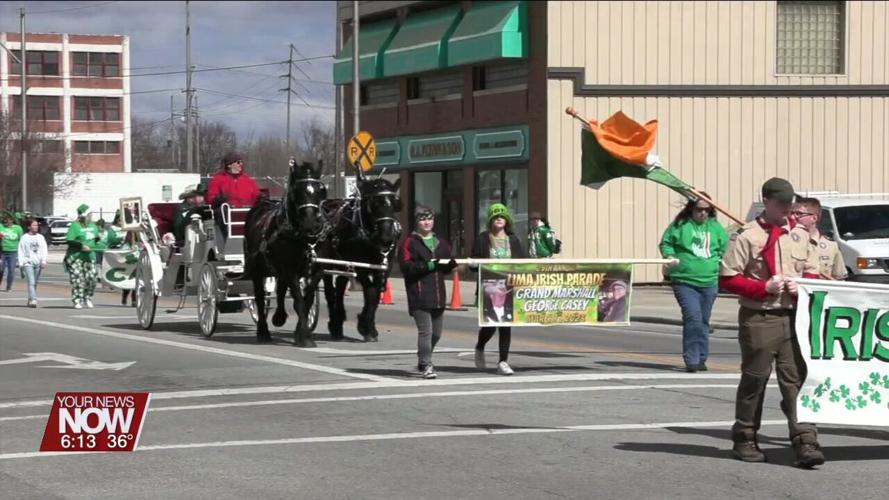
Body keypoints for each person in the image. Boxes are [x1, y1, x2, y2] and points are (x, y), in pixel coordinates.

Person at [719, 177, 825, 468]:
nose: (786, 209)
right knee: (755, 379)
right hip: (760, 316)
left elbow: (813, 273)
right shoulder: (748, 236)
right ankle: (745, 437)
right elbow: (728, 278)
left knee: (797, 381)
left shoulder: (800, 235)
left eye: (789, 204)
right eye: (780, 203)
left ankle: (805, 440)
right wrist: (762, 288)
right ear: (766, 200)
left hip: (793, 316)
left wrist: (801, 285)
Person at [659, 194, 729, 372]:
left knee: (704, 321)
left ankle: (701, 357)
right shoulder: (680, 225)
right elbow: (666, 243)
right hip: (685, 281)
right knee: (693, 318)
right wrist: (670, 256)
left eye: (707, 209)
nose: (703, 213)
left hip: (709, 281)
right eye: (699, 209)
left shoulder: (715, 227)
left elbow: (725, 247)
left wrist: (720, 262)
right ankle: (691, 358)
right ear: (691, 208)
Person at [398, 205, 458, 379]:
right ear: (417, 222)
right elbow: (407, 268)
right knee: (426, 331)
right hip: (419, 295)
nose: (427, 222)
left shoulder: (441, 242)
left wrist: (452, 265)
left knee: (436, 334)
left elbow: (446, 267)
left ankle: (423, 357)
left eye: (429, 218)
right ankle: (426, 364)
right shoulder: (409, 242)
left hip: (438, 295)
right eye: (423, 219)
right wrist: (430, 265)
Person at [472, 203, 528, 376]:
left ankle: (503, 361)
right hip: (489, 288)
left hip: (508, 288)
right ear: (490, 220)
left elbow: (523, 263)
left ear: (507, 220)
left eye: (502, 216)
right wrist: (475, 264)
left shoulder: (513, 240)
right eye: (496, 216)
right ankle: (480, 347)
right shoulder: (483, 238)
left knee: (505, 324)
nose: (499, 219)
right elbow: (473, 262)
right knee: (491, 325)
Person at [793, 197, 847, 281]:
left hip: (820, 293)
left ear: (814, 218)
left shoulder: (831, 246)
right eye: (791, 213)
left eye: (799, 214)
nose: (793, 217)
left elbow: (839, 278)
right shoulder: (787, 241)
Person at [64, 203, 101, 309]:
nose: (91, 216)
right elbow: (70, 241)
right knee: (78, 279)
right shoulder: (75, 226)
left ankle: (87, 297)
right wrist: (81, 246)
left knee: (92, 278)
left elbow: (95, 239)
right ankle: (77, 299)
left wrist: (98, 238)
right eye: (89, 214)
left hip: (90, 256)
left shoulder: (93, 225)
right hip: (76, 257)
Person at [16, 218, 48, 307]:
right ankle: (34, 299)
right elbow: (20, 251)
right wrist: (21, 262)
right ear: (29, 227)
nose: (36, 227)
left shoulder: (40, 237)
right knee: (31, 281)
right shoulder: (24, 237)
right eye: (34, 225)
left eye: (37, 225)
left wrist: (44, 260)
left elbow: (44, 249)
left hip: (38, 263)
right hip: (27, 263)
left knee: (35, 282)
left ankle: (30, 299)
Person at [173, 184, 207, 264]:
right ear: (187, 198)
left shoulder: (205, 207)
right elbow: (178, 227)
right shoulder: (181, 208)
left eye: (200, 196)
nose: (197, 199)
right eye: (193, 197)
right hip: (186, 236)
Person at [0, 212, 24, 291]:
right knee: (1, 269)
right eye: (5, 220)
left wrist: (22, 254)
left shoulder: (18, 228)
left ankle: (8, 286)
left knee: (11, 271)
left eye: (8, 220)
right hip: (2, 252)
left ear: (12, 220)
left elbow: (22, 241)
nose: (6, 221)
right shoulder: (1, 226)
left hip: (13, 252)